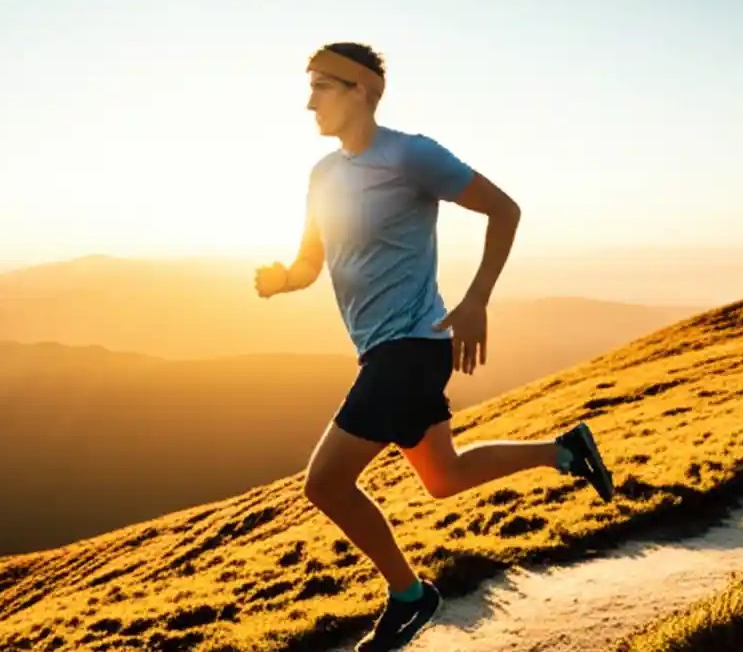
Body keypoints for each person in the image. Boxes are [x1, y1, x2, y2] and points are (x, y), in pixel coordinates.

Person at [254, 42, 615, 651]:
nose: (308, 100)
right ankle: (564, 451)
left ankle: (410, 595)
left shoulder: (411, 155)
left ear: (360, 91)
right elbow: (312, 261)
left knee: (325, 485)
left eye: (321, 85)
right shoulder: (324, 175)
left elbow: (504, 210)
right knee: (443, 477)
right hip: (385, 352)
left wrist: (476, 300)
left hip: (413, 346)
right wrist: (284, 279)